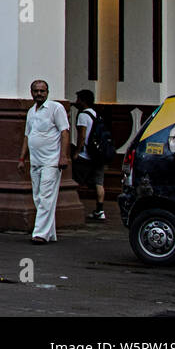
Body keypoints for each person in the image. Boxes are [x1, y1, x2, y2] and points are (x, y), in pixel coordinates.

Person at [16, 78, 70, 243]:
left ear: (47, 92)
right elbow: (27, 136)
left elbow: (64, 132)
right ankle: (50, 232)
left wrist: (63, 155)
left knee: (46, 196)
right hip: (35, 161)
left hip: (51, 161)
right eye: (36, 91)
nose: (39, 94)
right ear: (31, 93)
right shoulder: (31, 112)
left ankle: (39, 234)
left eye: (42, 91)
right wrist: (22, 158)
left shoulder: (55, 108)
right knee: (39, 198)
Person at [73, 89, 106, 222]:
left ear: (83, 100)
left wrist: (77, 152)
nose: (76, 102)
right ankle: (100, 210)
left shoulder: (83, 116)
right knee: (99, 182)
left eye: (78, 99)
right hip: (98, 155)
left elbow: (82, 136)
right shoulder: (96, 114)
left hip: (86, 155)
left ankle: (74, 205)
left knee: (76, 179)